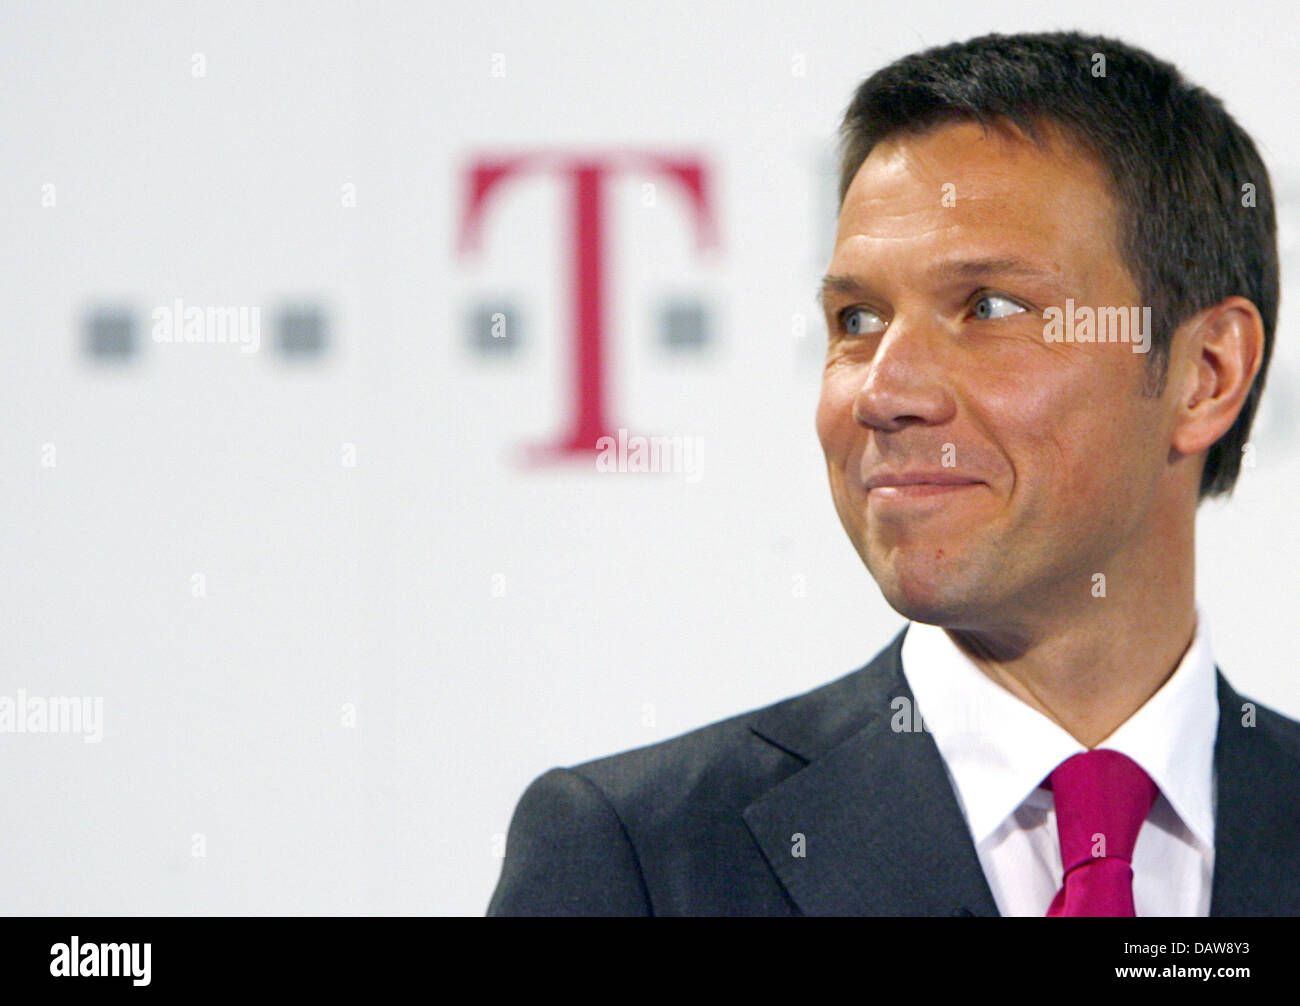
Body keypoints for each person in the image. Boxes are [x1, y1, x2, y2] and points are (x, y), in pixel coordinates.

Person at [487, 30, 1300, 916]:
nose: (884, 392)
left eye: (990, 307)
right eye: (858, 318)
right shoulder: (642, 861)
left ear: (1206, 374)